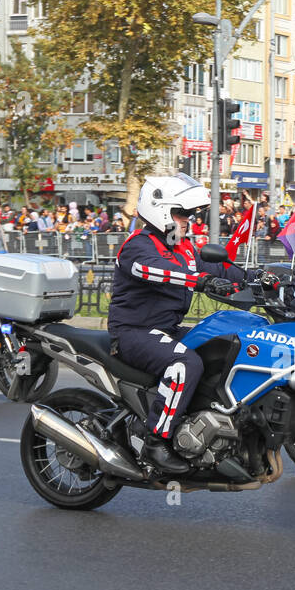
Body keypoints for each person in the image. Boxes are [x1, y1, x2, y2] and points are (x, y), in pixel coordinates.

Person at [109, 172, 254, 473]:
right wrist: (201, 281)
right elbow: (159, 271)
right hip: (133, 332)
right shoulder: (137, 246)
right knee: (185, 363)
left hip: (167, 329)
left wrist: (258, 278)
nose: (187, 219)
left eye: (188, 214)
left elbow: (218, 267)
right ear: (160, 210)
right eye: (181, 213)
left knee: (224, 348)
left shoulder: (183, 246)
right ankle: (155, 441)